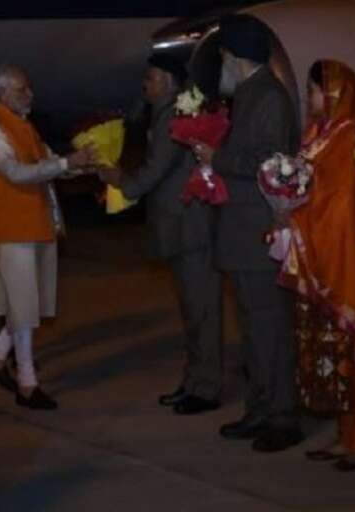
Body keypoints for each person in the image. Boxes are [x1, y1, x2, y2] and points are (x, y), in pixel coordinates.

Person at [193, 14, 301, 452]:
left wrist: (216, 158)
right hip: (242, 233)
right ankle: (260, 410)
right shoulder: (250, 94)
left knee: (269, 329)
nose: (221, 66)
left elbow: (271, 163)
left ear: (236, 57)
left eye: (223, 57)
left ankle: (283, 417)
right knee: (254, 330)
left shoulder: (268, 96)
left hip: (257, 232)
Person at [281, 60, 355, 471]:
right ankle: (344, 435)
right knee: (330, 354)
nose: (308, 98)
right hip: (322, 255)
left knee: (352, 349)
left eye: (313, 90)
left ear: (333, 94)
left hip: (345, 260)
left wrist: (298, 214)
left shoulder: (350, 137)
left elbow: (342, 206)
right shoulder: (318, 133)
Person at [98, 54, 222, 415]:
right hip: (182, 229)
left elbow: (154, 171)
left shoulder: (173, 116)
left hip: (191, 229)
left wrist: (120, 179)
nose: (145, 85)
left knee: (202, 312)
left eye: (151, 78)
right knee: (193, 311)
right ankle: (194, 380)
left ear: (168, 82)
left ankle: (206, 388)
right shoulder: (171, 113)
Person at [0, 63, 96, 410]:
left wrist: (82, 165)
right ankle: (27, 383)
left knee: (27, 304)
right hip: (9, 228)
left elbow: (49, 163)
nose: (30, 95)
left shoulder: (24, 127)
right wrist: (66, 164)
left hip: (33, 225)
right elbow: (14, 172)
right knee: (24, 309)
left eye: (28, 88)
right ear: (1, 93)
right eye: (22, 90)